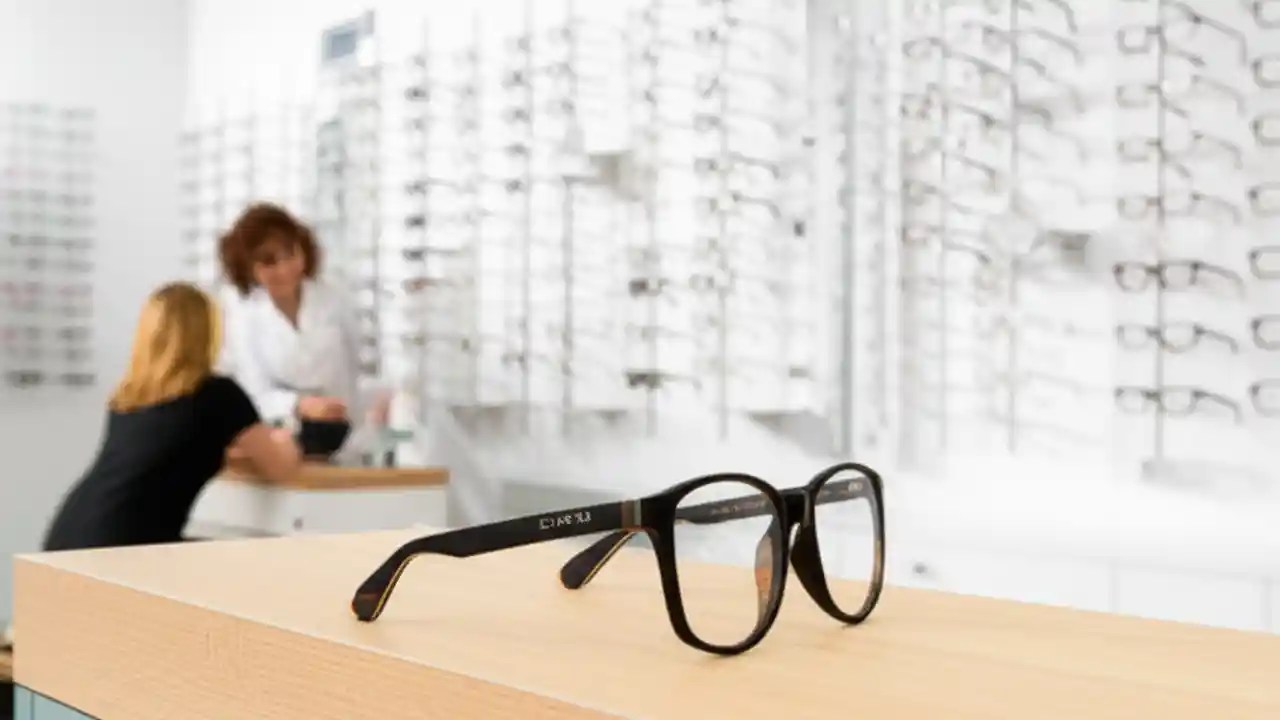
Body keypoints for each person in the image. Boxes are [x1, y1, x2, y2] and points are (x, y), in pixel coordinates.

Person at [40, 282, 303, 553]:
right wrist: (285, 437)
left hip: (68, 536)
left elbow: (169, 452)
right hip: (119, 547)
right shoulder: (218, 394)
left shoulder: (129, 396)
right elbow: (282, 467)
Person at [216, 202, 386, 452]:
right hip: (280, 439)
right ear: (248, 267)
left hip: (348, 433)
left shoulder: (333, 298)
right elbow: (252, 392)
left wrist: (373, 409)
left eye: (290, 254)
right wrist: (300, 404)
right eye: (269, 261)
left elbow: (358, 364)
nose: (284, 269)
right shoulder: (242, 315)